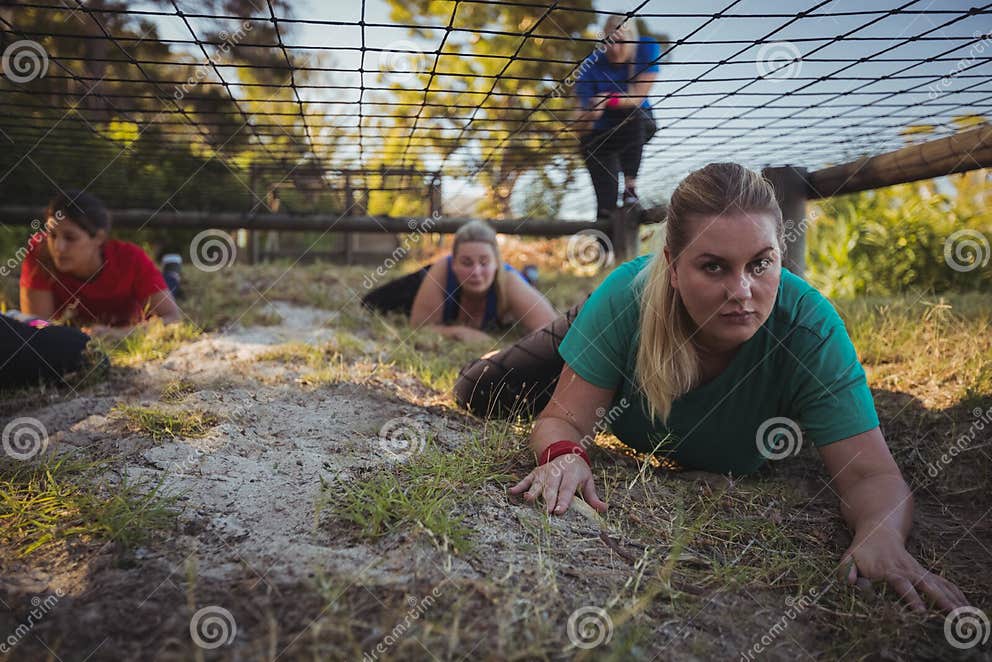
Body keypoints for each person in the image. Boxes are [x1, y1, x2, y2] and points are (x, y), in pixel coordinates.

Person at [455, 163, 969, 613]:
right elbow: (562, 422)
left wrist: (880, 538)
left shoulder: (811, 330)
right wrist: (565, 453)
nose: (742, 292)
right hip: (605, 320)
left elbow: (872, 476)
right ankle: (558, 349)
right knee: (478, 390)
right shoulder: (628, 298)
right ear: (674, 267)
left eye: (760, 264)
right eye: (714, 266)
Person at [362, 220, 558, 342]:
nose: (476, 272)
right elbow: (419, 326)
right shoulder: (442, 269)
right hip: (438, 287)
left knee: (528, 285)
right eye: (466, 262)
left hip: (515, 285)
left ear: (497, 263)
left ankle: (530, 274)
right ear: (453, 263)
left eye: (484, 262)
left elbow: (552, 331)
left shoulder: (510, 281)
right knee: (372, 303)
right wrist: (458, 332)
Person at [19, 191, 181, 338]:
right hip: (78, 328)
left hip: (133, 319)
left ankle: (172, 272)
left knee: (170, 285)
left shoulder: (130, 258)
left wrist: (117, 334)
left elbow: (173, 318)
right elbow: (37, 328)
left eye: (70, 238)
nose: (58, 247)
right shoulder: (40, 251)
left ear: (99, 238)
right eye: (52, 235)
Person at [575, 15, 661, 220]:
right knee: (606, 209)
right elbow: (576, 119)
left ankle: (631, 189)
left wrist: (607, 101)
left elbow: (638, 97)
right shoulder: (591, 64)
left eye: (621, 42)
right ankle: (606, 249)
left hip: (638, 125)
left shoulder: (646, 48)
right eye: (609, 42)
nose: (614, 49)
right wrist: (590, 113)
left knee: (633, 115)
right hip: (601, 139)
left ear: (633, 38)